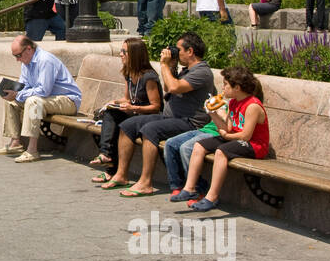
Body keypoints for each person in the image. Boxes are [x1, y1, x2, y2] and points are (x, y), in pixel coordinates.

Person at [98, 33, 216, 195]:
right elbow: (170, 87)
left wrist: (165, 65)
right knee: (127, 125)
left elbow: (173, 88)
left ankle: (146, 182)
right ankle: (121, 175)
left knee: (150, 130)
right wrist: (173, 67)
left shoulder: (202, 72)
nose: (175, 52)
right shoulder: (187, 70)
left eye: (179, 49)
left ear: (190, 51)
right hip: (172, 118)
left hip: (190, 122)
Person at [172, 67, 270, 212]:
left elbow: (245, 135)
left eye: (225, 84)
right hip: (236, 140)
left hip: (255, 145)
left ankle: (211, 197)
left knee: (221, 151)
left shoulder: (252, 105)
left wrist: (226, 136)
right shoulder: (233, 102)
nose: (223, 88)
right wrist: (212, 113)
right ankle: (190, 188)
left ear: (237, 87)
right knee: (199, 145)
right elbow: (228, 127)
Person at [0, 36, 82, 163]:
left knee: (33, 101)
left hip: (69, 101)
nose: (17, 60)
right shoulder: (26, 62)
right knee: (12, 101)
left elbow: (43, 90)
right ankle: (15, 143)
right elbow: (24, 86)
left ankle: (32, 150)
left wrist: (18, 95)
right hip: (49, 99)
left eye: (18, 55)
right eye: (15, 57)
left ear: (28, 49)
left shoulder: (45, 60)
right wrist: (13, 93)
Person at [89, 38, 161, 183]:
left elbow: (156, 106)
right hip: (135, 114)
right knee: (111, 114)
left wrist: (133, 108)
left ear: (134, 54)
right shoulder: (129, 74)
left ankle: (109, 165)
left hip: (149, 117)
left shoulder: (148, 77)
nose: (120, 54)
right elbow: (127, 98)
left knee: (121, 126)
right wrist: (114, 102)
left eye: (124, 52)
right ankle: (107, 159)